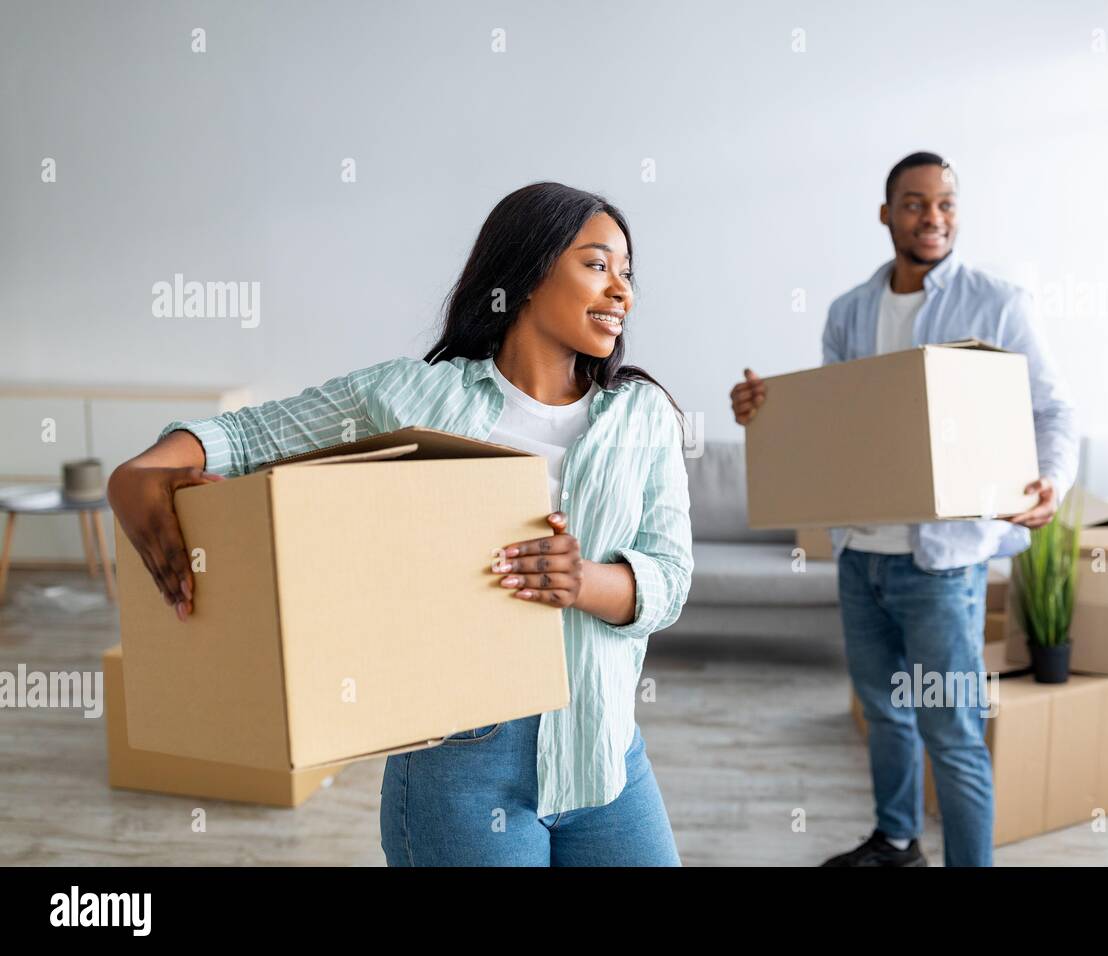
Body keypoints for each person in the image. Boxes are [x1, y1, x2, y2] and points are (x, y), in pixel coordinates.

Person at [108, 182, 693, 867]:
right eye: (597, 264)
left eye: (628, 273)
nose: (621, 290)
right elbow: (247, 434)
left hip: (605, 754)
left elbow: (671, 578)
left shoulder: (642, 415)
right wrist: (136, 474)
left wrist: (586, 581)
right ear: (527, 272)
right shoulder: (414, 396)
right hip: (463, 761)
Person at [729, 152, 1079, 867]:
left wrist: (1050, 481)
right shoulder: (849, 311)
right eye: (915, 203)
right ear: (886, 214)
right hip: (863, 557)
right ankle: (895, 842)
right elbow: (835, 427)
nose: (933, 217)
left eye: (947, 203)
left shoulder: (998, 303)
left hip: (943, 566)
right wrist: (764, 414)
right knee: (886, 713)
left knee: (951, 732)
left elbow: (1053, 407)